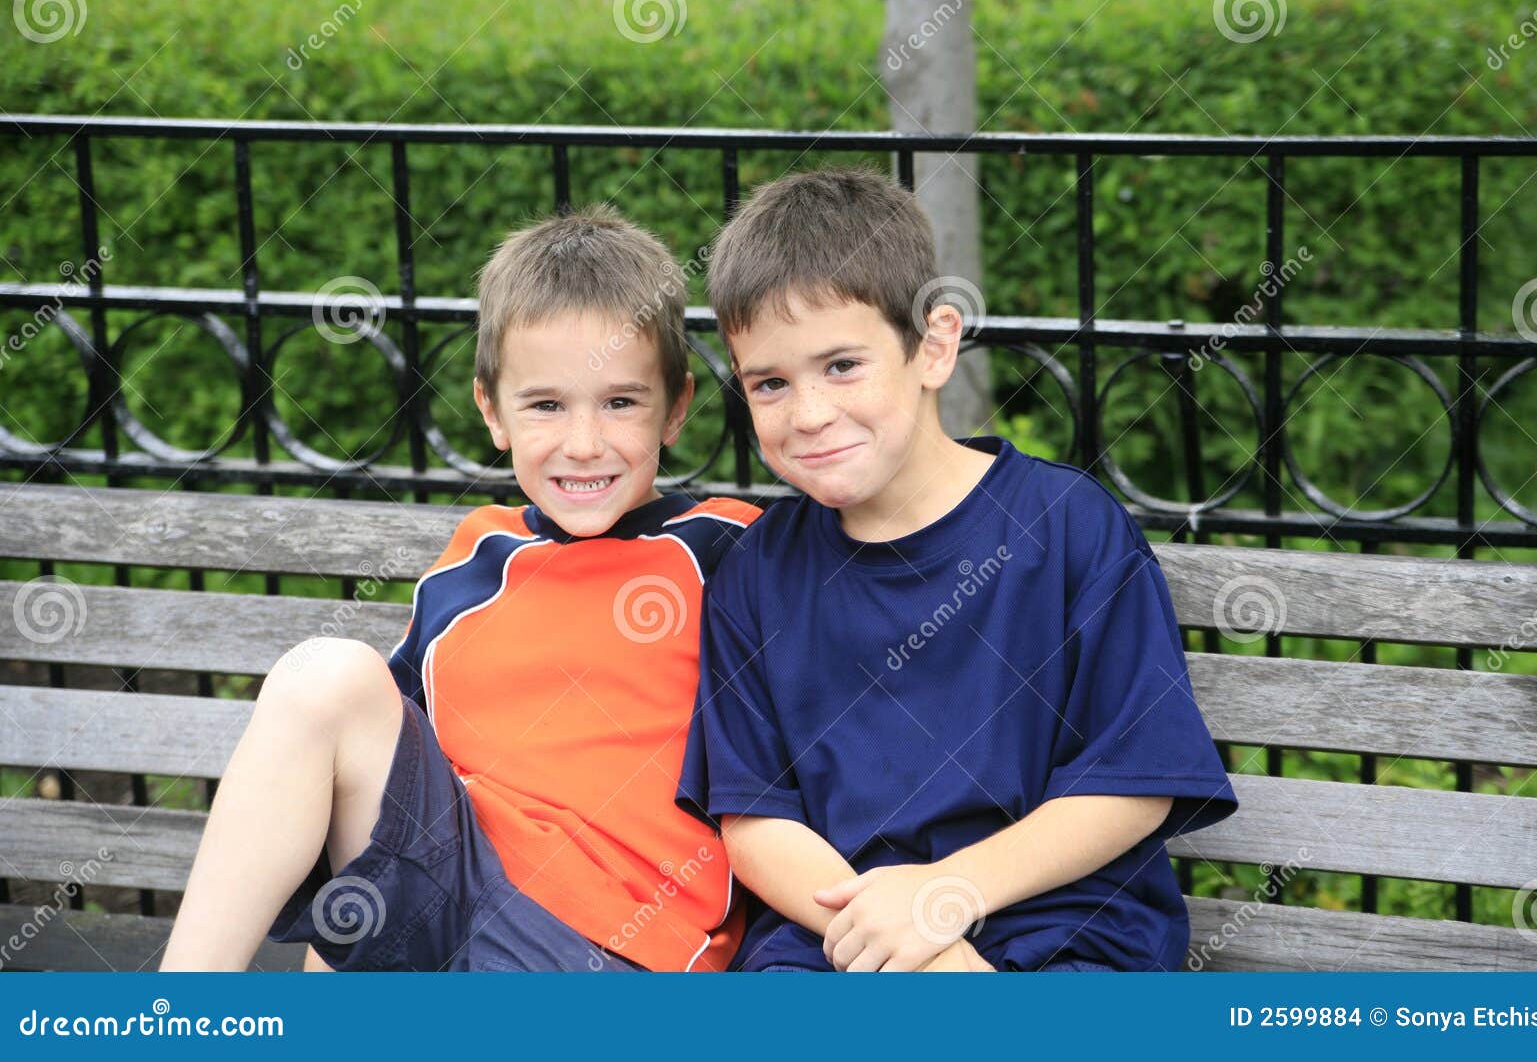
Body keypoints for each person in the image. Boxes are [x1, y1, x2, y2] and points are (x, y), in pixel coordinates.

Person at [162, 206, 760, 972]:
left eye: (620, 401)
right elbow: (378, 797)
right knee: (326, 677)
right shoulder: (475, 556)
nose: (583, 442)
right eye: (546, 404)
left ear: (676, 405)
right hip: (453, 912)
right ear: (491, 408)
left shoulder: (726, 549)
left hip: (611, 954)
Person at [676, 168, 1240, 973]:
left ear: (935, 343)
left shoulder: (1069, 529)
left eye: (842, 365)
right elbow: (755, 822)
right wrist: (898, 941)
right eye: (771, 382)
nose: (808, 413)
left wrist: (944, 899)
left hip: (1064, 936)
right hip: (840, 942)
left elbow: (1134, 782)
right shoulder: (757, 572)